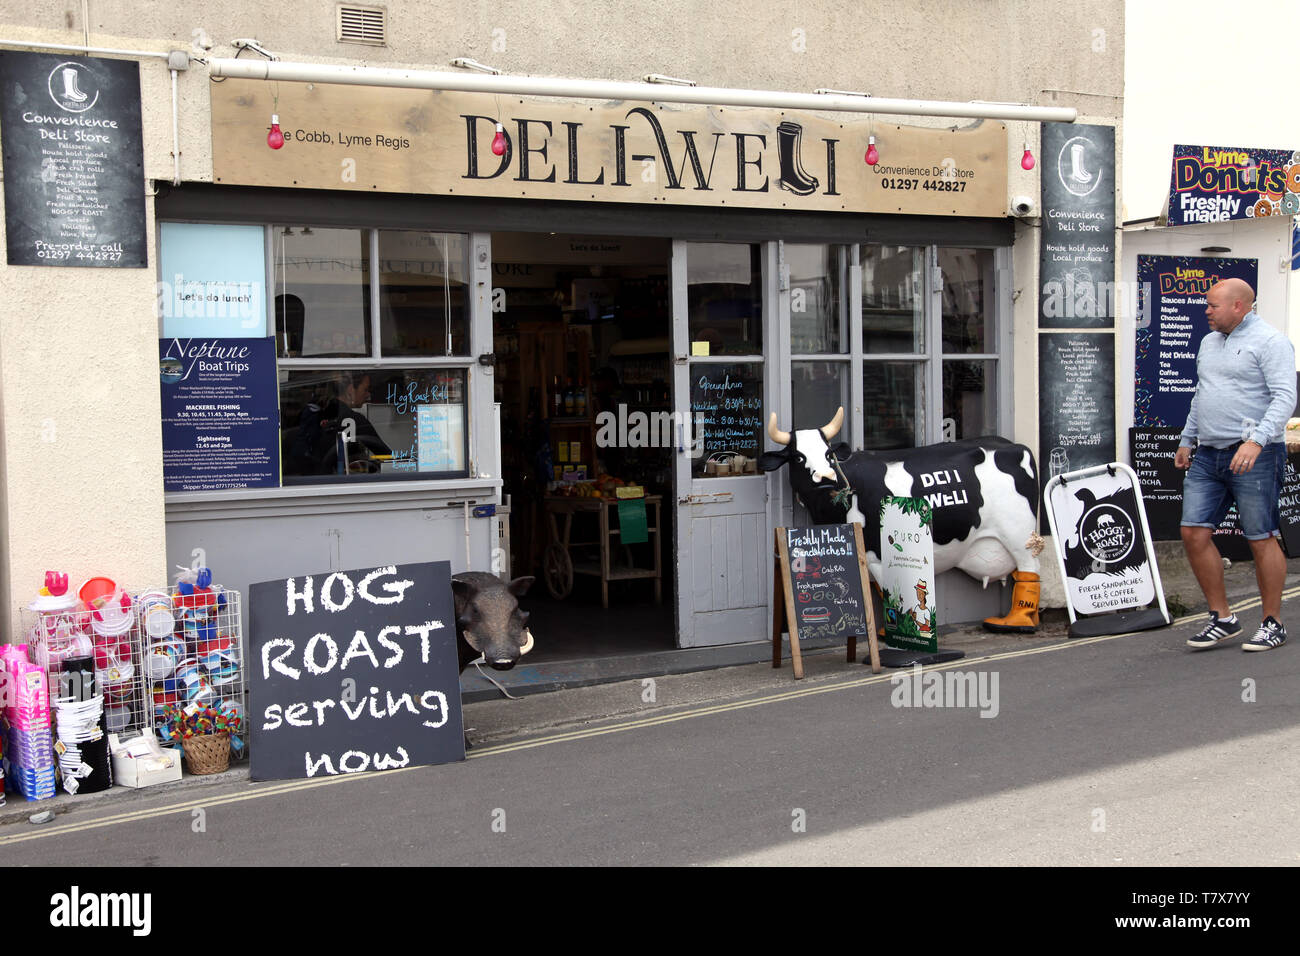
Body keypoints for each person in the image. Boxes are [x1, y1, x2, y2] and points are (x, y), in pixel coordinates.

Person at [1175, 278, 1296, 652]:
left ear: (1238, 307)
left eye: (1212, 305)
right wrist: (1186, 438)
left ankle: (1272, 622)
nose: (1206, 311)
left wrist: (1257, 442)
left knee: (1260, 536)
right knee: (1193, 533)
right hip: (1208, 453)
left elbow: (1285, 397)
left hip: (1254, 455)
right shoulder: (1209, 342)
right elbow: (1202, 393)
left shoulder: (1272, 342)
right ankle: (1222, 618)